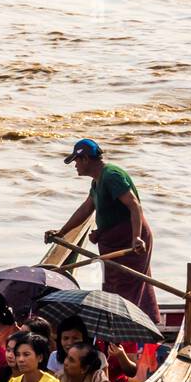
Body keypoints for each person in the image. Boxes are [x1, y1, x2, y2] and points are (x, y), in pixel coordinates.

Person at [50, 138, 161, 325]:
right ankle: (118, 329)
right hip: (114, 241)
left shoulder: (112, 176)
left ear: (85, 159)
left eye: (76, 161)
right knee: (113, 287)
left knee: (128, 288)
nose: (75, 165)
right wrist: (61, 232)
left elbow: (135, 206)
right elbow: (86, 209)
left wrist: (136, 238)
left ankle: (134, 332)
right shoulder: (97, 181)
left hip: (130, 241)